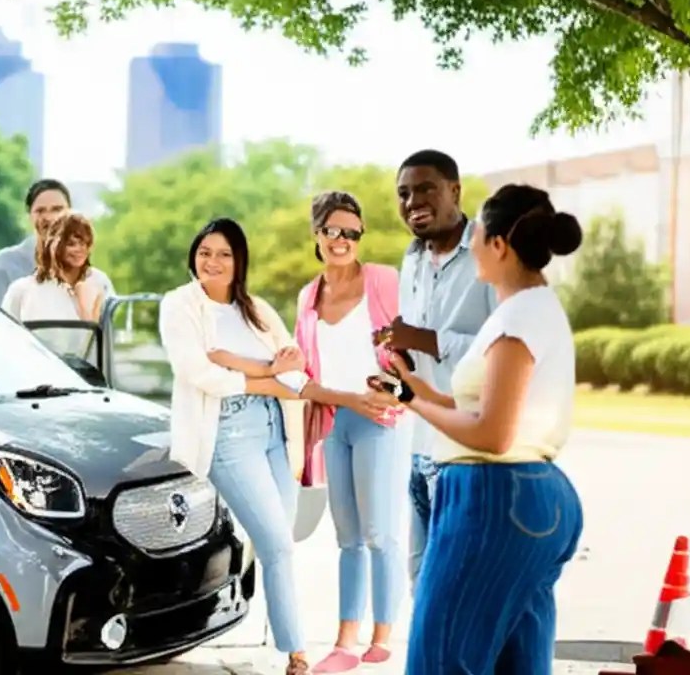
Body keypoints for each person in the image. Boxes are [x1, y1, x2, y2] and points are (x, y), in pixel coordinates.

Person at [383, 184, 585, 675]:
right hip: (535, 500)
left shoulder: (516, 319)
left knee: (440, 661)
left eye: (477, 235)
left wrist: (412, 402)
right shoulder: (536, 309)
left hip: (493, 499)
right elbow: (475, 408)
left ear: (498, 244)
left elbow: (491, 433)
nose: (470, 244)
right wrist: (413, 388)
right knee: (518, 663)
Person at [158, 217, 311, 675]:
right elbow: (198, 372)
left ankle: (271, 639)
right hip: (226, 433)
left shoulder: (258, 309)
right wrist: (268, 375)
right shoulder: (180, 305)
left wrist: (240, 366)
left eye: (224, 253)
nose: (213, 261)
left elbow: (296, 370)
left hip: (275, 430)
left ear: (239, 260)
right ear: (194, 256)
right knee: (279, 545)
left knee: (277, 543)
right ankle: (295, 652)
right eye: (205, 252)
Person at [292, 192, 407, 672]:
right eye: (333, 231)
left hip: (381, 419)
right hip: (335, 422)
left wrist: (397, 388)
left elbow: (413, 344)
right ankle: (345, 640)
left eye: (352, 232)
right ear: (318, 234)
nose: (342, 240)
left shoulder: (382, 280)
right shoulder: (308, 296)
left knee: (380, 532)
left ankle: (382, 637)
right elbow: (304, 373)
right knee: (348, 538)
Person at [382, 149, 497, 588]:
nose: (413, 201)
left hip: (466, 453)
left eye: (426, 188)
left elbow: (505, 352)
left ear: (455, 190)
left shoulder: (491, 254)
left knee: (460, 585)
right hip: (420, 446)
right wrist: (401, 362)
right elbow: (417, 340)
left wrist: (424, 340)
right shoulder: (411, 259)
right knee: (421, 583)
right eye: (404, 193)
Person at [1, 213, 113, 356]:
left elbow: (108, 343)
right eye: (71, 244)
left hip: (87, 376)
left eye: (83, 243)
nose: (79, 249)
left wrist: (87, 309)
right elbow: (5, 339)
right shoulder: (23, 290)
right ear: (55, 245)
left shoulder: (99, 282)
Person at [0, 179, 74, 304]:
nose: (50, 217)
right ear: (29, 216)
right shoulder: (4, 266)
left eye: (57, 209)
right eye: (40, 211)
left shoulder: (85, 270)